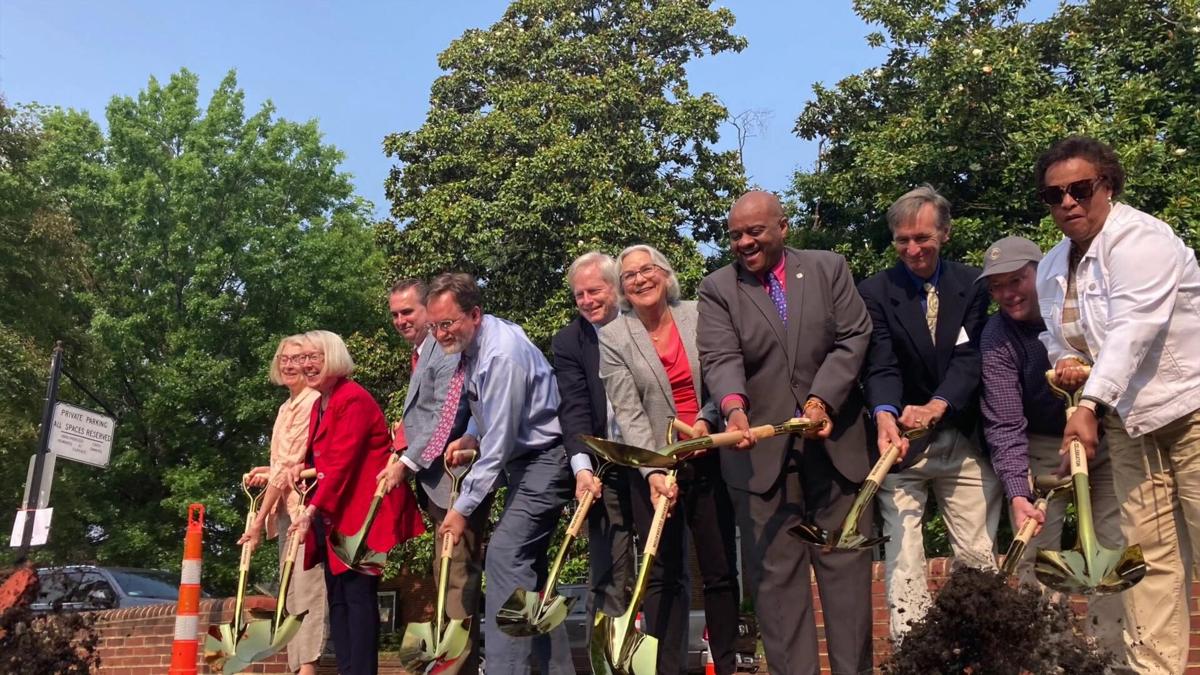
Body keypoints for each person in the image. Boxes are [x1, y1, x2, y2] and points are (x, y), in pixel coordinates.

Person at [1033, 135, 1200, 674]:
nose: (1067, 203)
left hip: (1191, 411)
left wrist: (1088, 407)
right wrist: (1066, 361)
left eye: (1080, 189)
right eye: (1054, 195)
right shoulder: (1052, 265)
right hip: (1132, 423)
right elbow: (1060, 336)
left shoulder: (1143, 240)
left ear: (1107, 185)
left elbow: (1133, 330)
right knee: (1147, 561)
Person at [697, 190, 874, 674]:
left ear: (783, 227)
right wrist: (734, 409)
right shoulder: (717, 288)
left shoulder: (828, 268)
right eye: (735, 235)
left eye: (755, 231)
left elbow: (853, 337)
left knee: (847, 581)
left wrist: (821, 400)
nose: (744, 242)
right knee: (776, 591)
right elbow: (720, 357)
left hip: (835, 449)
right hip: (759, 458)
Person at [857, 184, 1001, 638]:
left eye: (922, 238)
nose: (913, 249)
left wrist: (938, 406)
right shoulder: (875, 291)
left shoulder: (973, 284)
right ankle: (913, 652)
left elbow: (971, 357)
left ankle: (981, 652)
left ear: (945, 234)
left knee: (978, 557)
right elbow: (881, 363)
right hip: (901, 445)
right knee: (903, 557)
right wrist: (885, 414)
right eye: (902, 240)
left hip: (963, 437)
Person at [976, 236, 1125, 660]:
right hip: (1043, 444)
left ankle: (1110, 659)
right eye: (997, 286)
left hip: (1106, 436)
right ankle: (1048, 661)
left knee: (1111, 548)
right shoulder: (997, 335)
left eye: (1016, 280)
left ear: (1040, 273)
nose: (1008, 293)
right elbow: (1004, 421)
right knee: (1038, 555)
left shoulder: (1078, 309)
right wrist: (1018, 492)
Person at [598, 244, 740, 675]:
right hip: (655, 470)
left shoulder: (699, 315)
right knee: (662, 572)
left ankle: (727, 663)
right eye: (629, 276)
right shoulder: (613, 337)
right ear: (622, 287)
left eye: (647, 270)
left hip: (709, 456)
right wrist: (654, 471)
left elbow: (719, 375)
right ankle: (666, 668)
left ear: (665, 274)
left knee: (719, 570)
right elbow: (629, 412)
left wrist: (706, 419)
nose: (640, 279)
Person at [424, 273, 574, 674]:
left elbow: (499, 445)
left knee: (505, 556)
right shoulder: (476, 345)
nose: (439, 334)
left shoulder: (501, 355)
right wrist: (472, 433)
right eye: (433, 326)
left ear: (474, 314)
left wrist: (461, 508)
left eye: (447, 323)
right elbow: (488, 410)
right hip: (523, 463)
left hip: (547, 459)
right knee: (529, 574)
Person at [287, 330, 424, 675]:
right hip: (335, 514)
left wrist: (310, 510)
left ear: (333, 357)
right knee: (338, 598)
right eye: (302, 358)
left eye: (314, 357)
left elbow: (342, 464)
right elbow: (322, 459)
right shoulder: (320, 403)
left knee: (358, 597)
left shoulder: (353, 399)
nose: (306, 365)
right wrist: (299, 468)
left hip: (364, 516)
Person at [377, 278, 485, 673]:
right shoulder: (425, 353)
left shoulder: (445, 350)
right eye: (395, 314)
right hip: (436, 484)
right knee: (445, 575)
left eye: (408, 311)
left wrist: (406, 464)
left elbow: (447, 415)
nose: (401, 320)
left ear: (429, 310)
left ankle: (455, 667)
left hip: (456, 481)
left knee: (456, 578)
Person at [550, 252, 643, 626]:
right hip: (605, 465)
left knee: (664, 564)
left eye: (594, 291)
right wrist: (582, 469)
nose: (587, 301)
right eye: (579, 295)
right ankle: (604, 650)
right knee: (607, 570)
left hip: (652, 459)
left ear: (615, 288)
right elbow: (573, 409)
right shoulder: (569, 342)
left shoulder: (643, 323)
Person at [239, 334, 326, 675]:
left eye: (296, 359)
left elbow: (291, 466)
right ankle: (296, 667)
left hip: (306, 508)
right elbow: (282, 465)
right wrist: (267, 470)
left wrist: (257, 523)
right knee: (290, 593)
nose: (289, 365)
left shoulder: (312, 401)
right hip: (286, 509)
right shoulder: (285, 407)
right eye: (284, 358)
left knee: (307, 591)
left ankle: (308, 669)